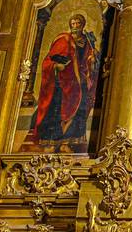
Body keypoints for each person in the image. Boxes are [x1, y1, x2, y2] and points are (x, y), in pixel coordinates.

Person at [28, 14, 99, 146]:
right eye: (73, 23)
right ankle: (50, 141)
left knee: (79, 110)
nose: (75, 26)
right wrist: (56, 66)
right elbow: (49, 60)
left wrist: (92, 59)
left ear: (83, 25)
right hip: (63, 80)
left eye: (78, 23)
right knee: (57, 109)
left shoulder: (87, 41)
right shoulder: (64, 39)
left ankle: (69, 142)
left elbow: (89, 59)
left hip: (80, 79)